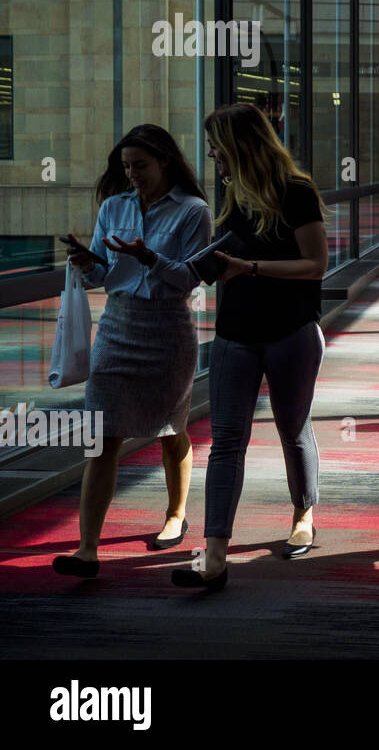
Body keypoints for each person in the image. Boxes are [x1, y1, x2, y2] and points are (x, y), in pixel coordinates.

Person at [171, 104, 328, 591]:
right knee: (226, 443)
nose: (213, 153)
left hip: (292, 332)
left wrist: (251, 267)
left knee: (292, 428)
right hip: (235, 334)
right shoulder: (231, 193)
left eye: (218, 144)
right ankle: (214, 554)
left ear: (242, 144)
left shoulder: (296, 192)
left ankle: (303, 515)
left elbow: (316, 264)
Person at [52, 125, 212, 578]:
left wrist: (149, 259)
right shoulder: (113, 207)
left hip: (167, 332)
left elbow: (191, 278)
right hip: (117, 329)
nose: (132, 174)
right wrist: (89, 266)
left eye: (140, 165)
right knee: (101, 438)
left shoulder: (192, 212)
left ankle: (176, 513)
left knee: (170, 430)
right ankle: (87, 549)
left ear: (165, 162)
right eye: (126, 167)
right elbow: (105, 277)